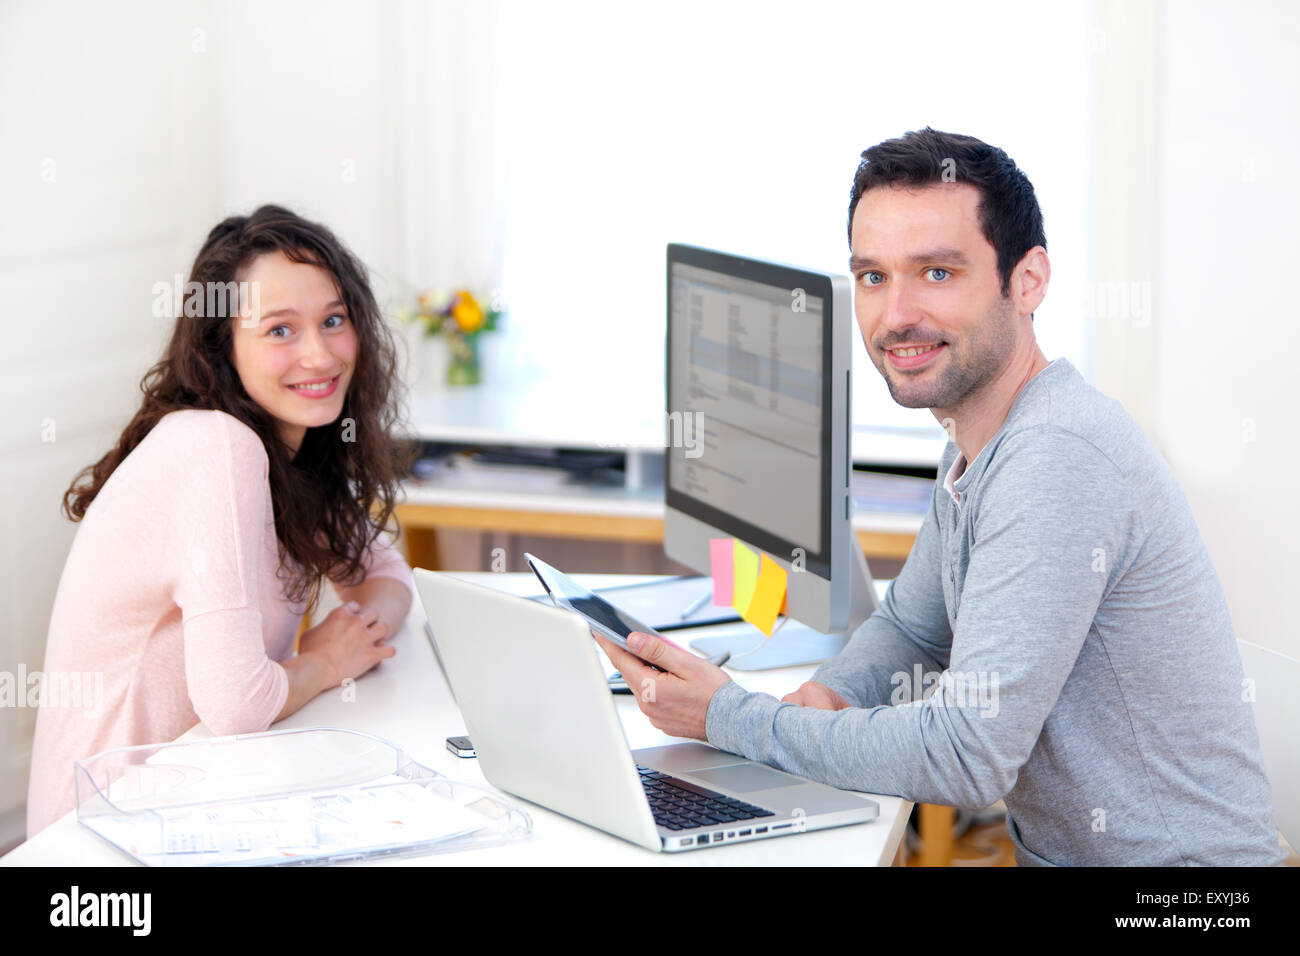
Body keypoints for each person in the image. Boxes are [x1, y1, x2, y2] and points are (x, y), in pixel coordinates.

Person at [598, 128, 1285, 866]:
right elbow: (915, 630)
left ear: (1028, 281)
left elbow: (967, 757)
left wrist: (732, 717)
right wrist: (828, 697)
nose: (895, 315)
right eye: (873, 277)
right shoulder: (973, 432)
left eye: (936, 273)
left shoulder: (1057, 457)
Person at [26, 205, 416, 836]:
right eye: (280, 331)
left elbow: (387, 574)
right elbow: (237, 704)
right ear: (222, 348)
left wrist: (348, 638)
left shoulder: (292, 454)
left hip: (209, 795)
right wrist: (326, 663)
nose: (319, 355)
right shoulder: (216, 447)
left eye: (334, 320)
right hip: (107, 834)